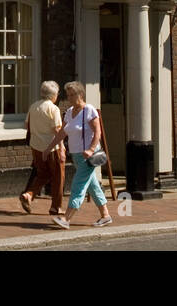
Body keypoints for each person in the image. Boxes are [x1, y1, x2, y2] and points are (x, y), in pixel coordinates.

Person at [42, 81, 112, 230]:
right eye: (68, 95)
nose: (70, 97)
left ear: (80, 94)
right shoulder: (69, 111)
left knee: (78, 185)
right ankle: (105, 215)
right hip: (76, 155)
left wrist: (91, 149)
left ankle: (66, 218)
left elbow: (97, 132)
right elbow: (62, 132)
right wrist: (49, 148)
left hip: (87, 156)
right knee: (93, 186)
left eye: (72, 94)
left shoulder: (89, 110)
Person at [19, 80, 65, 215]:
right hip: (51, 148)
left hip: (36, 146)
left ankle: (29, 194)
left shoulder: (33, 106)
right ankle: (55, 207)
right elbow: (57, 130)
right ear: (54, 95)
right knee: (58, 176)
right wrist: (62, 148)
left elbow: (26, 125)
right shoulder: (53, 109)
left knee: (42, 173)